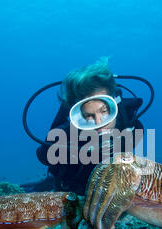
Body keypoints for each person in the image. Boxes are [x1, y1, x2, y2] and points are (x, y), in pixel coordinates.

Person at [34, 57, 145, 195]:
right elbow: (43, 156)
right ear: (78, 115)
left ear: (115, 102)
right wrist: (79, 151)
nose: (99, 123)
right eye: (88, 115)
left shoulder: (133, 128)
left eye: (104, 111)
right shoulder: (65, 134)